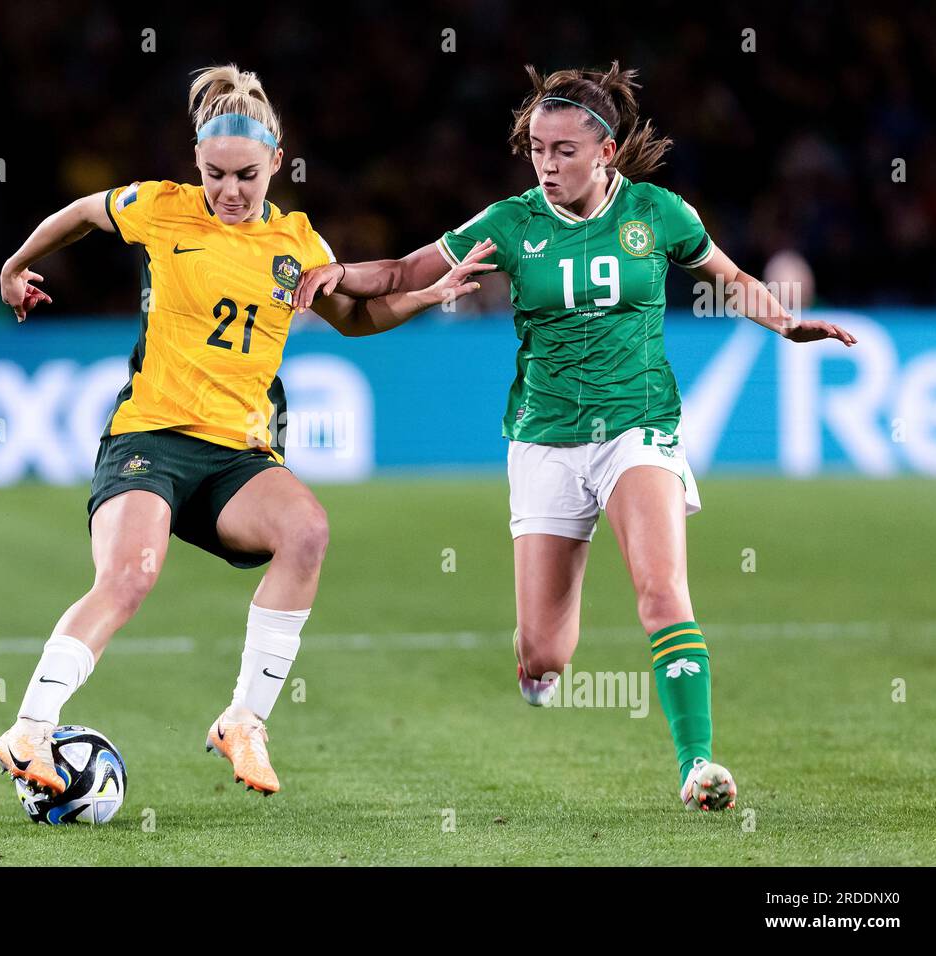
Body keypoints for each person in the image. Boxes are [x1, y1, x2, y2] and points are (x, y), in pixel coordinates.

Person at [294, 62, 857, 810]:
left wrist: (784, 321)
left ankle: (697, 764)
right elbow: (401, 270)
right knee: (544, 654)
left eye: (563, 150)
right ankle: (540, 666)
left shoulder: (660, 214)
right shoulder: (508, 223)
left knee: (662, 593)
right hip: (546, 437)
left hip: (638, 425)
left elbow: (730, 278)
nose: (547, 165)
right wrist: (323, 273)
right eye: (536, 149)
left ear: (606, 152)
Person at [0, 64, 491, 797]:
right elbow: (81, 213)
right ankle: (30, 729)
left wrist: (428, 294)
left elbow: (356, 317)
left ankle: (244, 721)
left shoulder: (298, 245)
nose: (230, 190)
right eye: (216, 173)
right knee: (129, 577)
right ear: (196, 159)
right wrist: (15, 264)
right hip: (149, 440)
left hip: (237, 458)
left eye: (246, 175)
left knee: (308, 531)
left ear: (277, 164)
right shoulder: (159, 207)